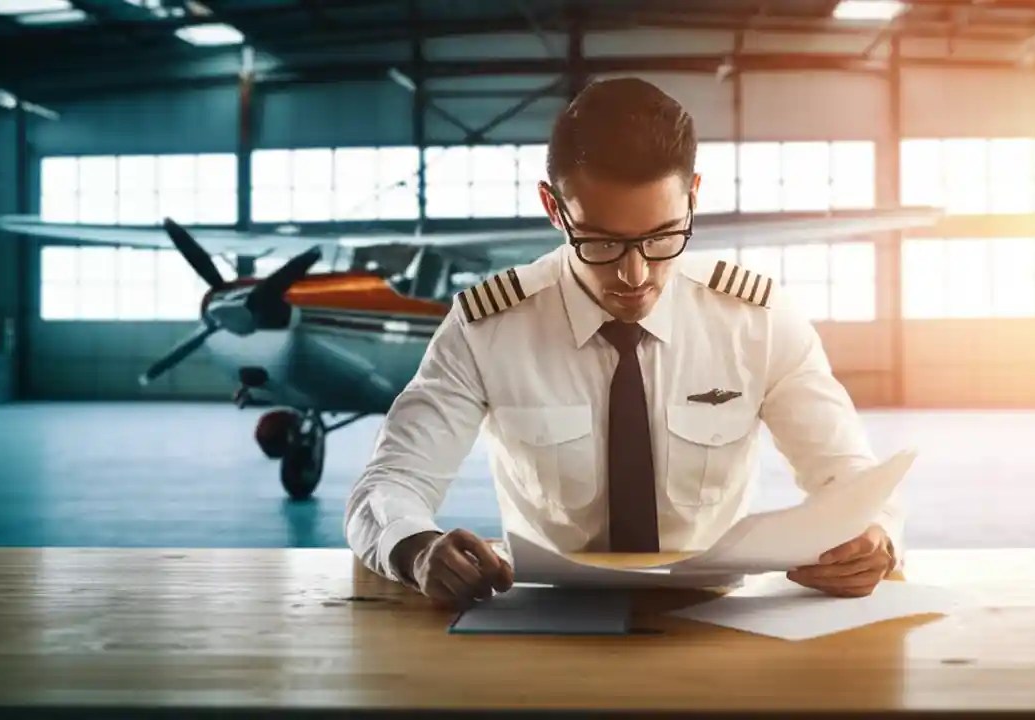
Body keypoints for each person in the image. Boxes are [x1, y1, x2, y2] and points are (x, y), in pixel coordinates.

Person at [344, 77, 903, 608]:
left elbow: (847, 473)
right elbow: (392, 483)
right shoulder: (486, 326)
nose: (635, 275)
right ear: (553, 209)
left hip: (713, 619)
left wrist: (873, 536)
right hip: (546, 621)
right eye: (601, 242)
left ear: (694, 198)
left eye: (662, 237)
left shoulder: (756, 320)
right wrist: (416, 548)